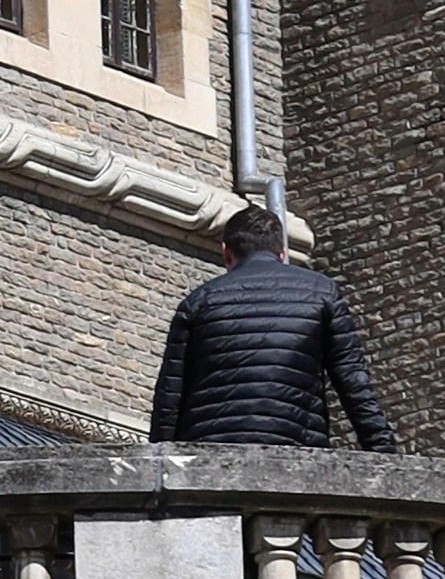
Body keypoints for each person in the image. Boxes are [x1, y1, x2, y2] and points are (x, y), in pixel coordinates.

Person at [149, 192, 396, 450]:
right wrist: (383, 449)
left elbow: (170, 397)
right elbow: (353, 381)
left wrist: (159, 462)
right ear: (283, 252)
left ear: (226, 253)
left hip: (209, 459)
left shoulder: (198, 302)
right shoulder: (321, 293)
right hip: (295, 451)